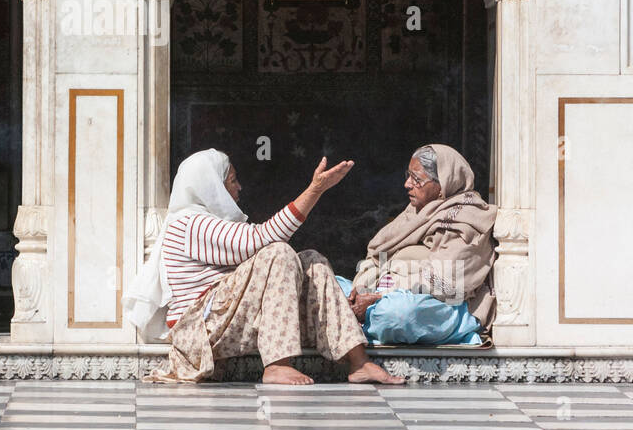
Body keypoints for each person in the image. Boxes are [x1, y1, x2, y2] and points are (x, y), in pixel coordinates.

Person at [127, 149, 403, 385]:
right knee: (277, 253)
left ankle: (358, 362)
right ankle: (277, 364)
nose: (239, 188)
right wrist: (314, 190)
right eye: (232, 181)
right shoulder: (188, 223)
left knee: (312, 261)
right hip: (201, 331)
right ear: (211, 186)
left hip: (230, 322)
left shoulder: (214, 222)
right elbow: (262, 239)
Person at [345, 144, 497, 345]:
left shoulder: (469, 219)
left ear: (442, 185)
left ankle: (353, 321)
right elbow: (376, 256)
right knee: (330, 289)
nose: (407, 184)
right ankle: (357, 315)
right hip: (383, 294)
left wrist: (380, 296)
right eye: (407, 176)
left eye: (416, 179)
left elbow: (445, 282)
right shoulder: (415, 213)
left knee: (397, 315)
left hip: (443, 305)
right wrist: (361, 287)